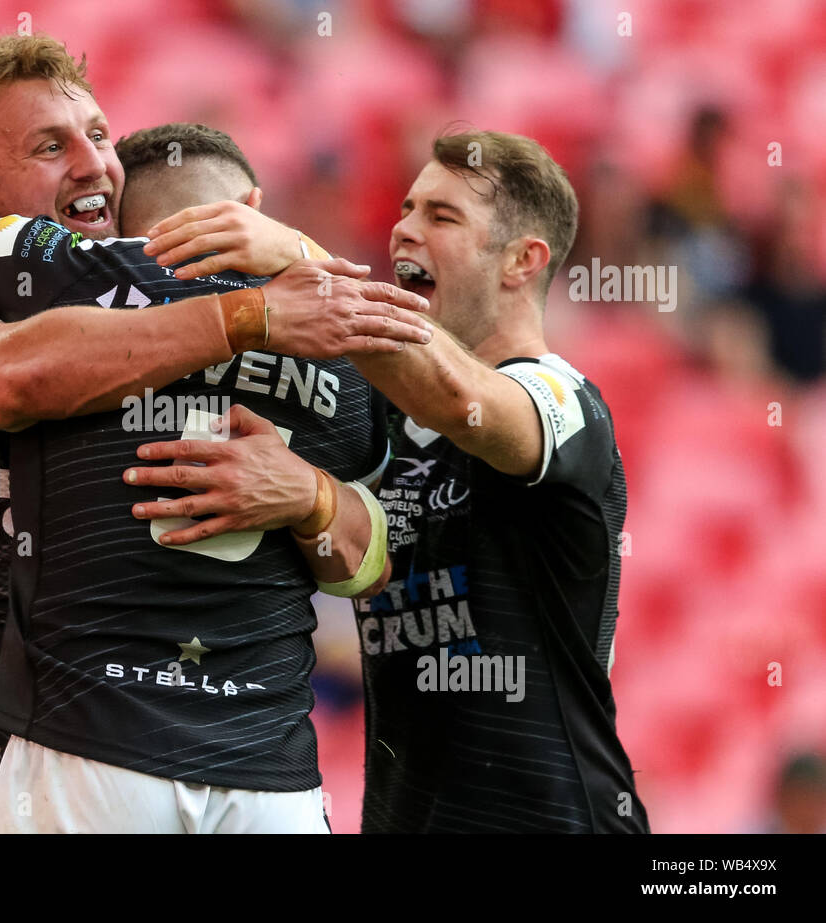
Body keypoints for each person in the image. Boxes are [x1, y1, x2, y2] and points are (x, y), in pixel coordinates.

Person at [0, 32, 429, 833]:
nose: (91, 162)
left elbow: (372, 556)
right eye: (49, 145)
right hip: (26, 751)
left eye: (99, 135)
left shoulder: (210, 309)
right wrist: (256, 308)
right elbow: (12, 376)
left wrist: (307, 495)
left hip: (249, 766)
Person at [143, 130, 651, 832]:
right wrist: (309, 497)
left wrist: (303, 257)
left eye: (442, 217)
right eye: (407, 208)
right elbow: (354, 560)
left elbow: (460, 402)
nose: (404, 228)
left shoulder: (566, 403)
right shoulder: (376, 416)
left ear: (522, 261)